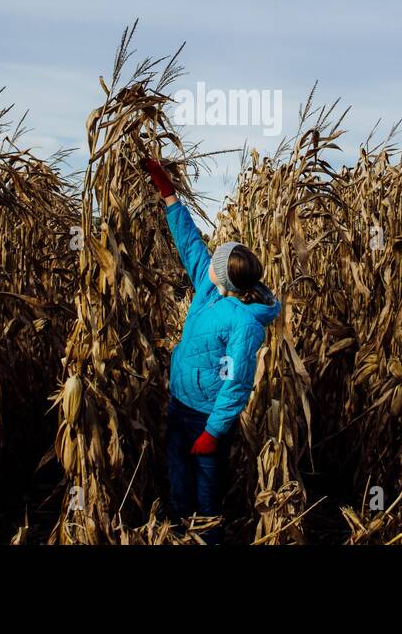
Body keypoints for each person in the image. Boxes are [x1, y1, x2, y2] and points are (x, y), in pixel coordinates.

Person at [140, 157, 280, 545]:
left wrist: (214, 433)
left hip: (207, 419)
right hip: (179, 404)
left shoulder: (245, 323)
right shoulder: (209, 286)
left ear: (227, 278)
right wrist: (168, 194)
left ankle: (210, 538)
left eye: (217, 262)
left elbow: (236, 383)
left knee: (207, 494)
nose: (210, 262)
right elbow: (189, 243)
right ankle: (181, 534)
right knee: (178, 479)